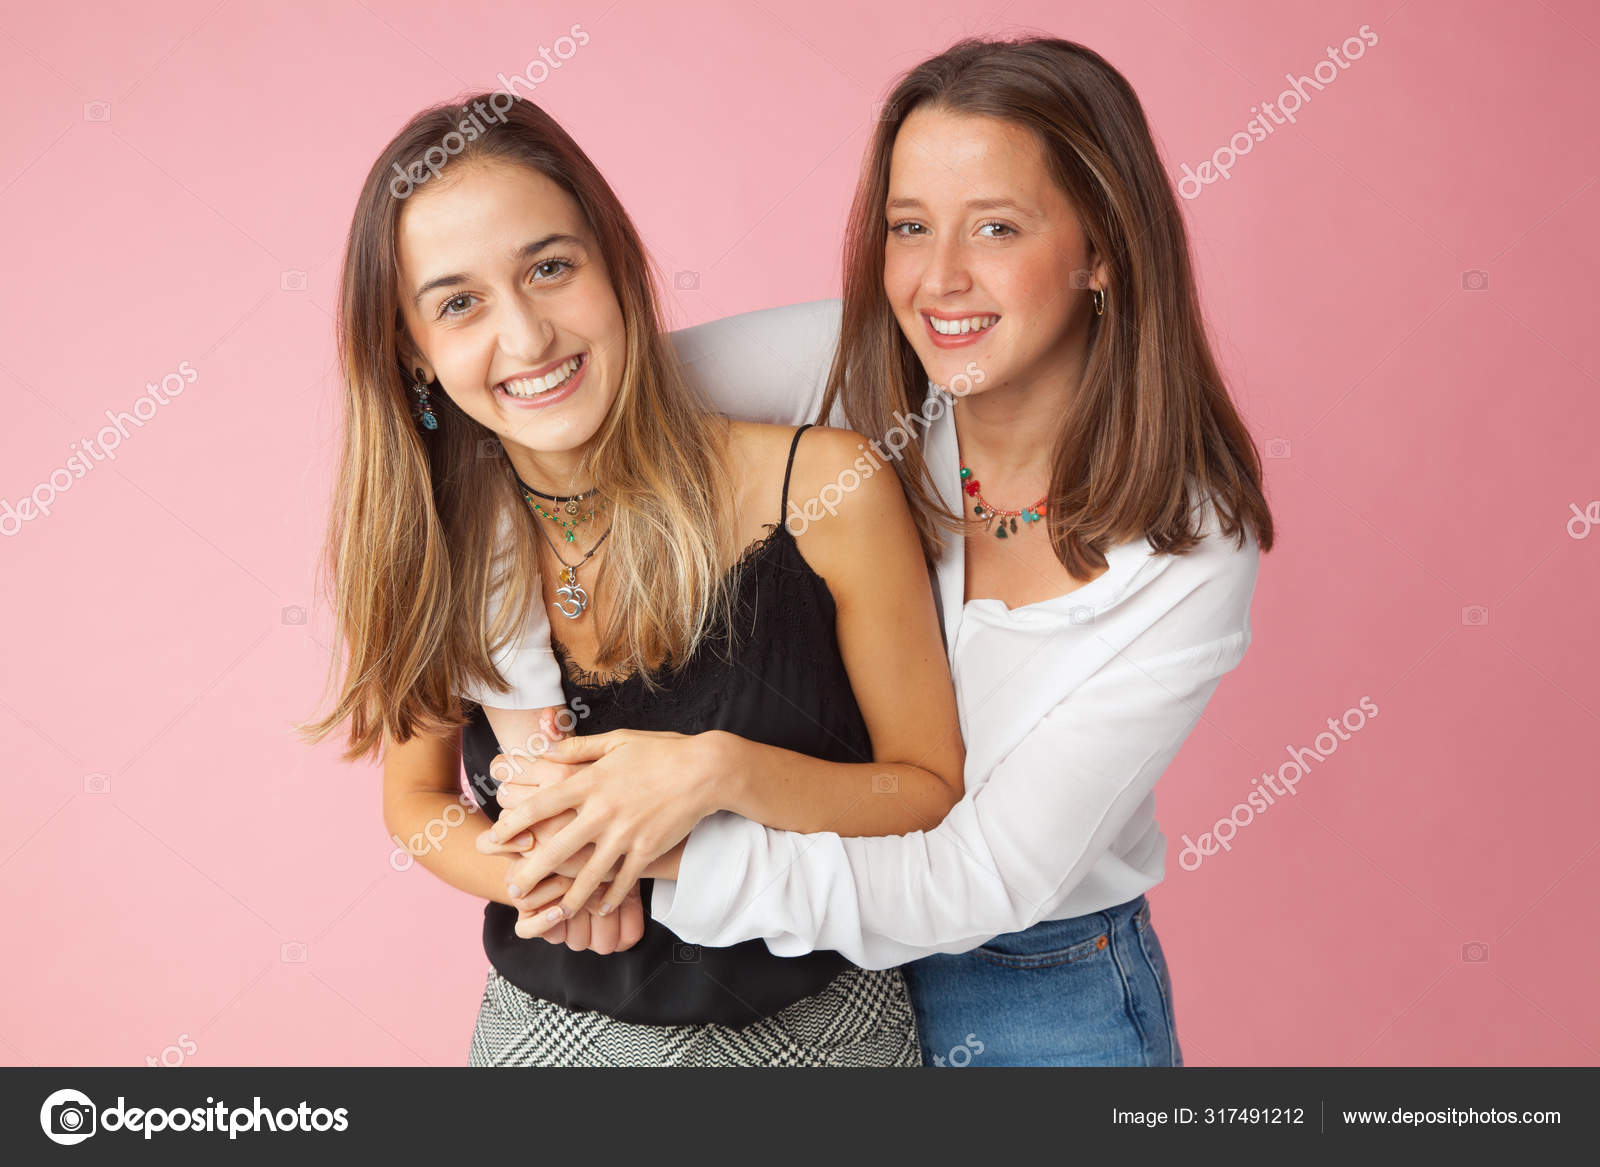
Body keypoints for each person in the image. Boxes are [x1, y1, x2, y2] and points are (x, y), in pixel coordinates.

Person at [482, 35, 1275, 1067]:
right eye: (909, 227)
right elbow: (535, 424)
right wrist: (532, 733)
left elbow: (973, 882)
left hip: (1037, 987)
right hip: (813, 987)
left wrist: (659, 839)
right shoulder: (845, 369)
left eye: (995, 226)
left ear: (1103, 249)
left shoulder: (1191, 552)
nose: (940, 281)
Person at [295, 92, 964, 1066]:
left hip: (824, 1036)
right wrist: (547, 872)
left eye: (550, 268)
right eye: (459, 303)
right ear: (412, 350)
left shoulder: (824, 488)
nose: (526, 340)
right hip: (546, 1044)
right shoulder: (434, 544)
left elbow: (925, 792)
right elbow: (416, 800)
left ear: (614, 264)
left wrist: (717, 773)